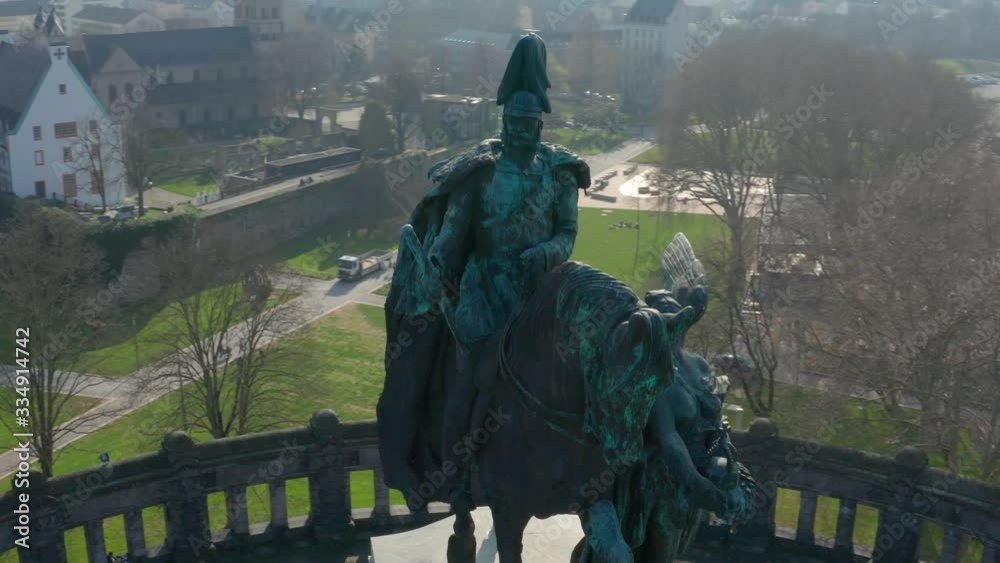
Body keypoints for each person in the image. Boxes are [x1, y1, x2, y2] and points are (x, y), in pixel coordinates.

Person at [380, 33, 591, 511]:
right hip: (482, 290)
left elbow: (567, 233)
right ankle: (454, 475)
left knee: (577, 368)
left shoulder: (560, 173)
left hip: (536, 291)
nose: (518, 133)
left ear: (540, 125)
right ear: (504, 121)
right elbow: (453, 233)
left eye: (527, 125)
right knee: (470, 376)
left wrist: (545, 252)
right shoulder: (480, 171)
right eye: (512, 124)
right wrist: (437, 264)